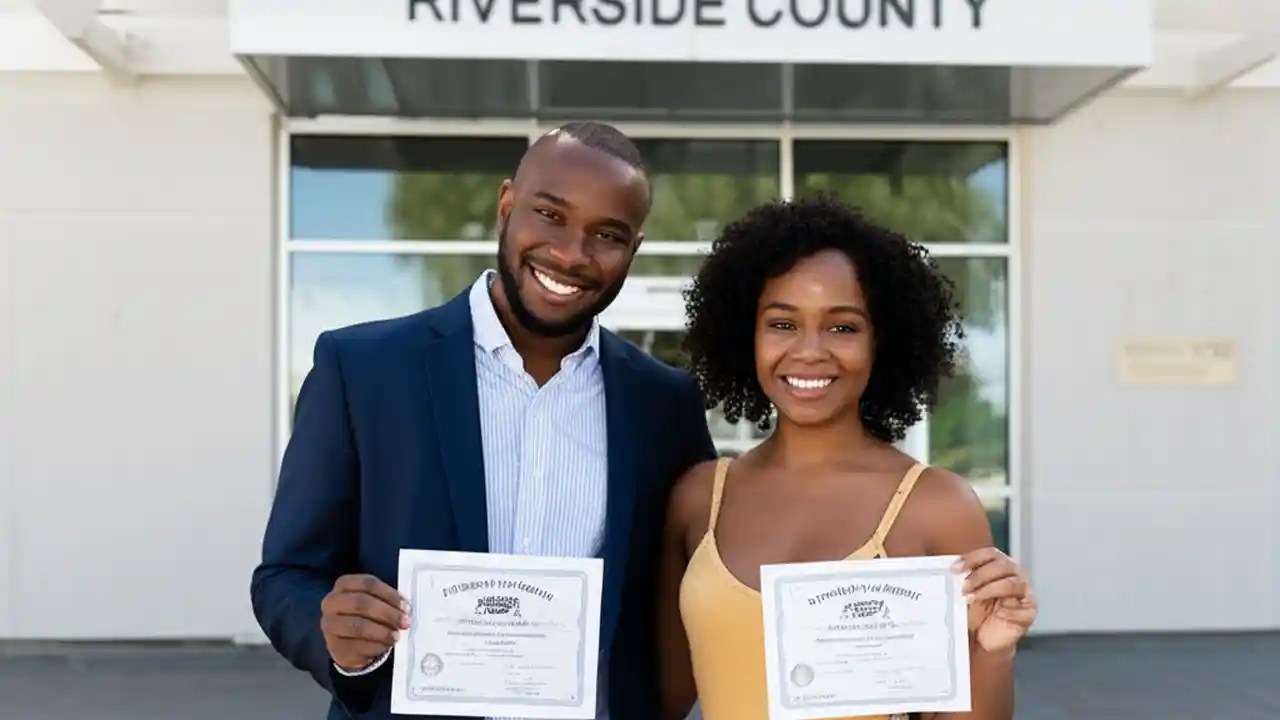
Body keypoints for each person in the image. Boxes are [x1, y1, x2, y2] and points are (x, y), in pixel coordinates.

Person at [251, 121, 717, 720]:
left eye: (607, 234)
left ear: (633, 250)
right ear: (506, 205)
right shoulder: (364, 371)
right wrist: (337, 639)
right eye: (550, 216)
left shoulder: (664, 404)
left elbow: (688, 594)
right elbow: (285, 576)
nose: (572, 254)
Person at [657, 195, 1037, 720]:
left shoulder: (936, 507)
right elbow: (660, 700)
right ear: (747, 336)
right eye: (783, 324)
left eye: (842, 327)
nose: (810, 350)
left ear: (882, 343)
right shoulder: (699, 498)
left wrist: (994, 650)